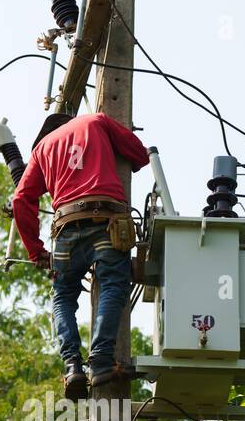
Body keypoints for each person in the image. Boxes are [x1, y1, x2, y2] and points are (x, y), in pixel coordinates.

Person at [11, 111, 150, 399]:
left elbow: (21, 199)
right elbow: (139, 153)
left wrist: (37, 252)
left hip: (66, 229)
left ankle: (73, 365)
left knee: (63, 294)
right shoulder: (95, 121)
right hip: (107, 221)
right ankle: (100, 360)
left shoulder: (42, 148)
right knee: (113, 282)